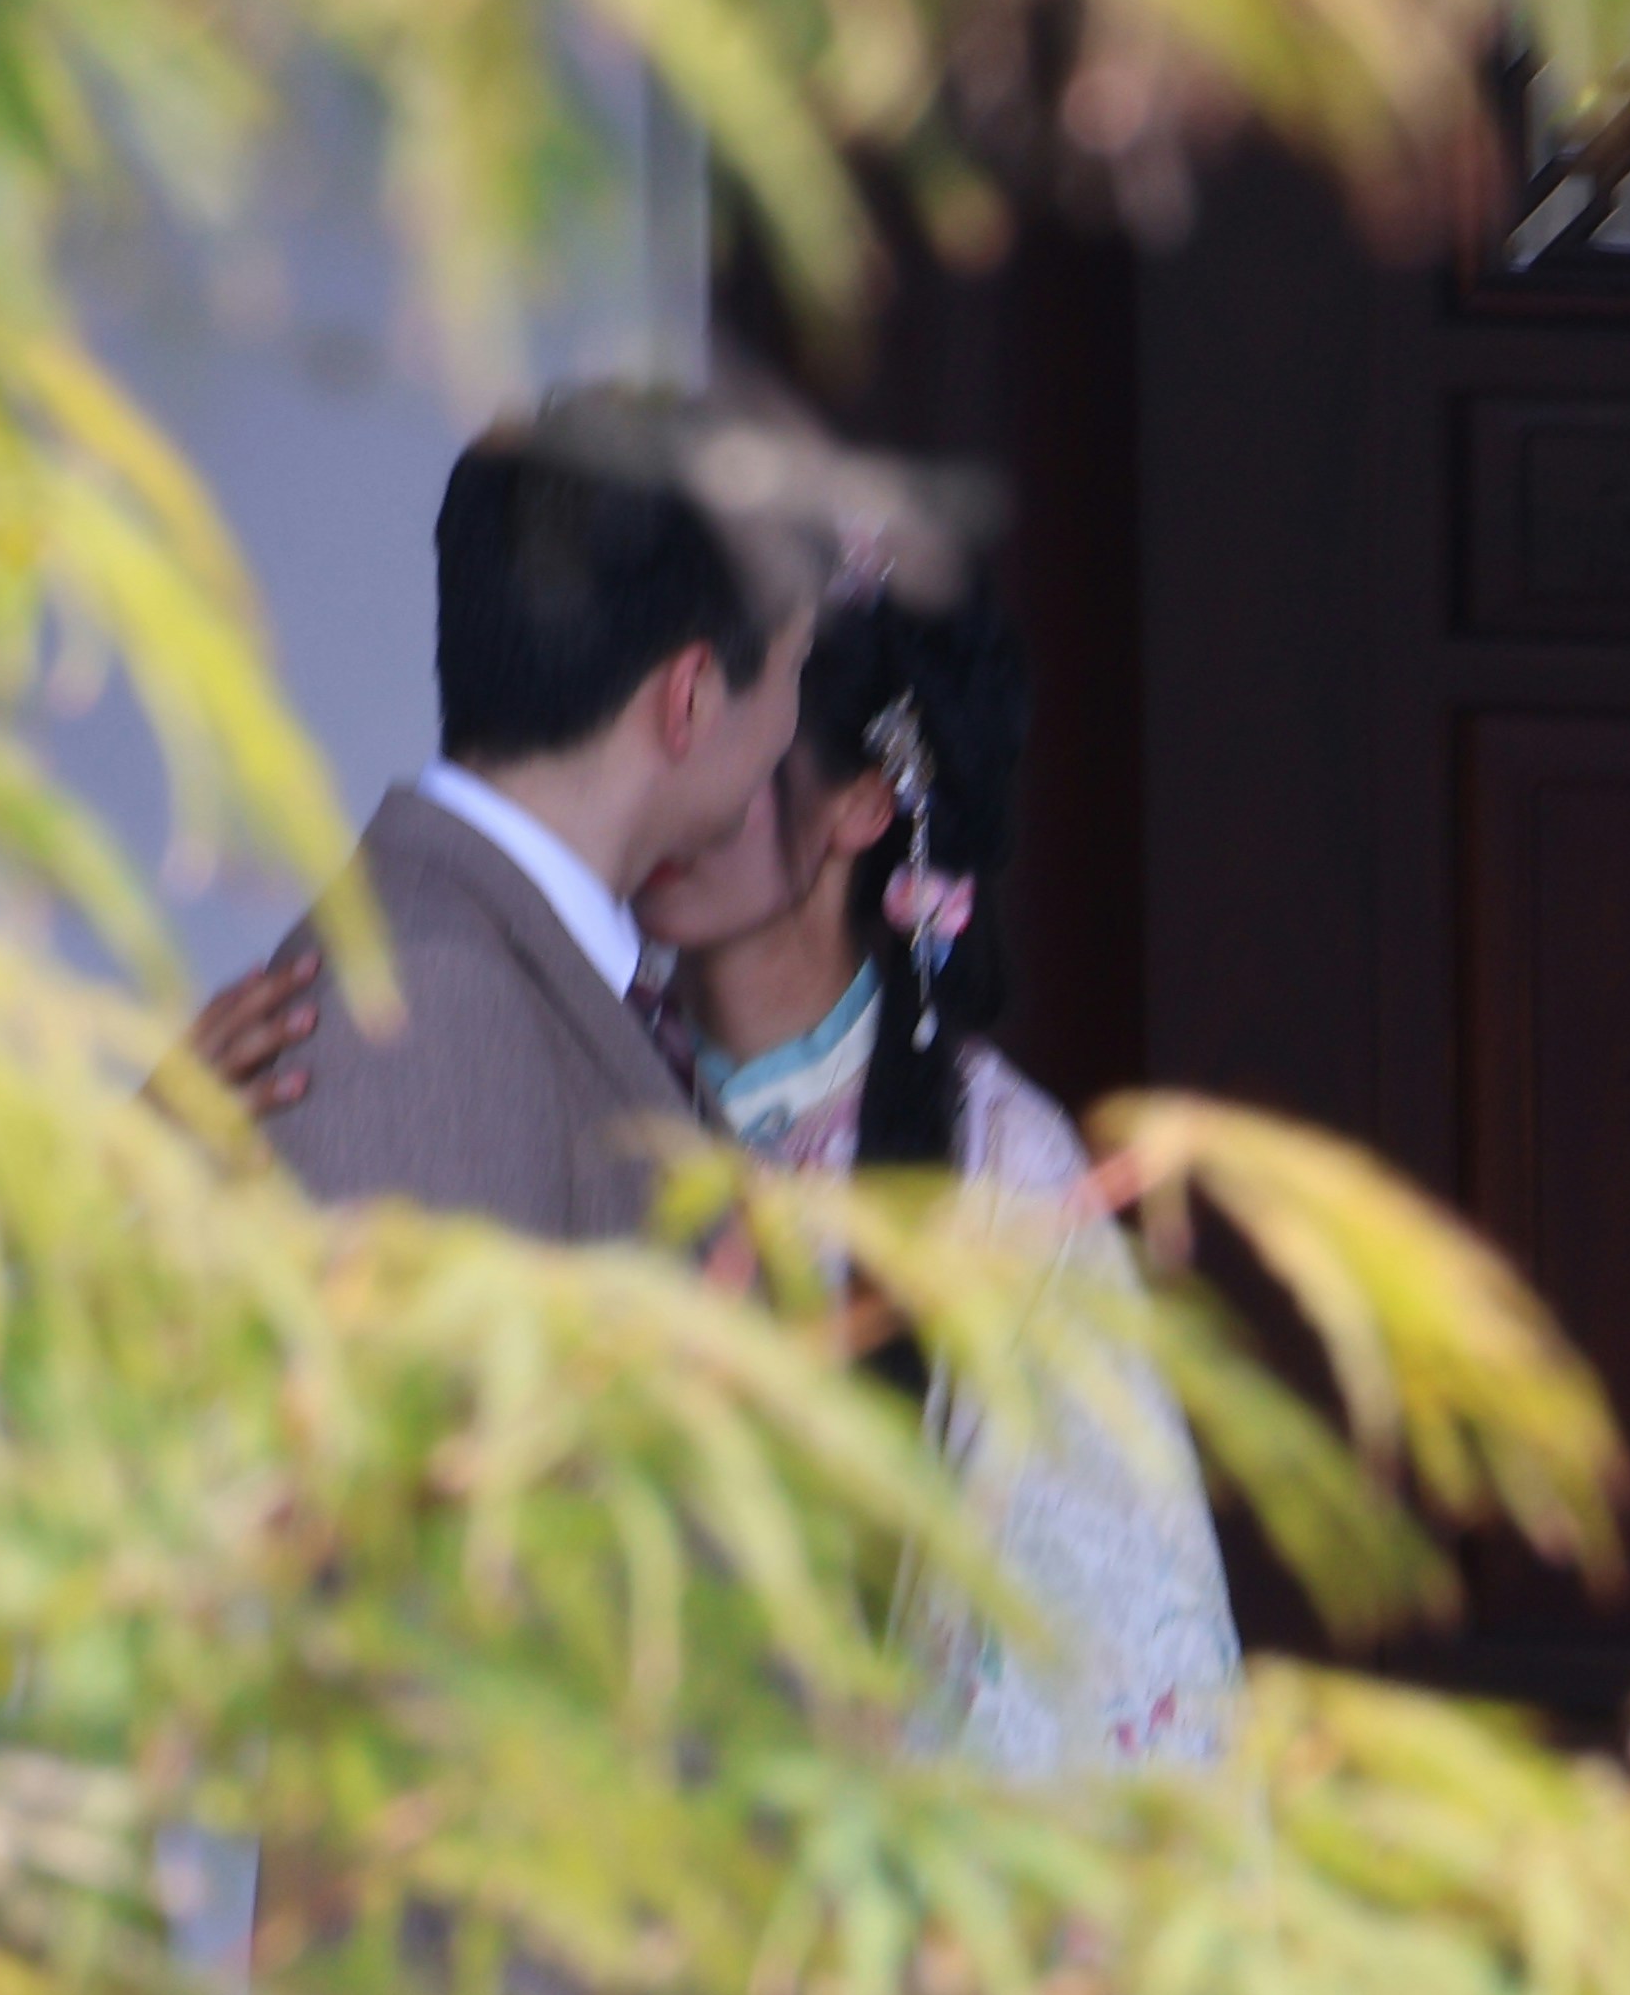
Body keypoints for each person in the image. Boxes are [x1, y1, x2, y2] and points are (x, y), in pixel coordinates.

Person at [200, 584, 1243, 1776]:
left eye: (743, 731)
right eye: (678, 716)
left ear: (863, 801)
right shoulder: (548, 1038)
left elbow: (1099, 1666)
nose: (686, 767)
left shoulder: (1000, 1174)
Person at [242, 391, 820, 1244]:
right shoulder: (432, 1001)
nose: (790, 724)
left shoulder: (492, 957)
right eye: (794, 666)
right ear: (691, 698)